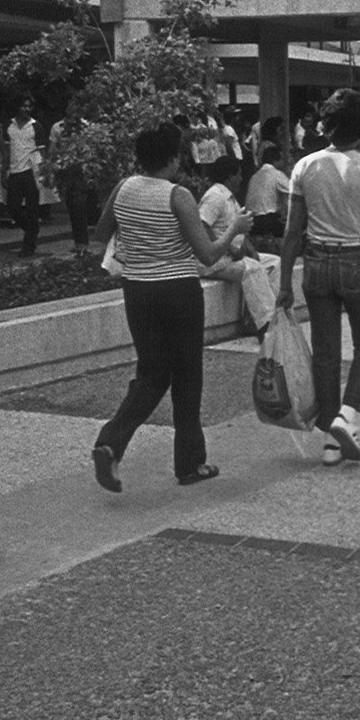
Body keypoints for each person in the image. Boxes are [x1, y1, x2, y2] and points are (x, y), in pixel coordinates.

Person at [88, 122, 251, 494]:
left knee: (151, 372)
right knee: (187, 377)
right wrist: (235, 227)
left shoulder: (124, 187)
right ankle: (190, 463)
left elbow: (101, 234)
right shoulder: (178, 196)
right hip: (178, 291)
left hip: (138, 291)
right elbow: (208, 254)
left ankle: (111, 440)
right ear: (172, 157)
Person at [277, 88, 360, 467]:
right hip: (355, 262)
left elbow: (291, 232)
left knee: (326, 352)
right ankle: (346, 416)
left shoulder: (304, 167)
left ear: (328, 124)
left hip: (316, 263)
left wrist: (284, 282)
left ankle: (330, 445)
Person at [195, 153, 278, 333]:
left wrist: (250, 249)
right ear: (230, 176)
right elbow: (201, 226)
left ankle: (255, 318)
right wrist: (230, 248)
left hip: (233, 257)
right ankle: (266, 325)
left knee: (274, 263)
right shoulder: (215, 196)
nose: (241, 179)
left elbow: (239, 229)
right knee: (252, 269)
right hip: (216, 261)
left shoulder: (230, 198)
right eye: (239, 174)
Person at [49, 95, 99, 255]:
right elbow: (52, 149)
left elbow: (92, 147)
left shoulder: (85, 126)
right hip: (65, 172)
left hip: (81, 171)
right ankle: (79, 242)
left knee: (80, 207)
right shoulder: (58, 127)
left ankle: (83, 243)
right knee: (72, 206)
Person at [4, 95, 44, 257]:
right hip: (14, 171)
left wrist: (43, 171)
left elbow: (41, 150)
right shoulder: (9, 126)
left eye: (30, 107)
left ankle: (28, 245)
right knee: (13, 207)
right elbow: (7, 150)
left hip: (30, 171)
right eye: (24, 106)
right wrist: (4, 171)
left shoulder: (36, 126)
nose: (27, 110)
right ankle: (32, 230)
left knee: (32, 208)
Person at [245, 141, 290, 240]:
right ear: (276, 160)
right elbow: (294, 191)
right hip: (267, 221)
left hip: (251, 221)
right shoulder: (276, 174)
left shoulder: (254, 176)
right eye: (282, 159)